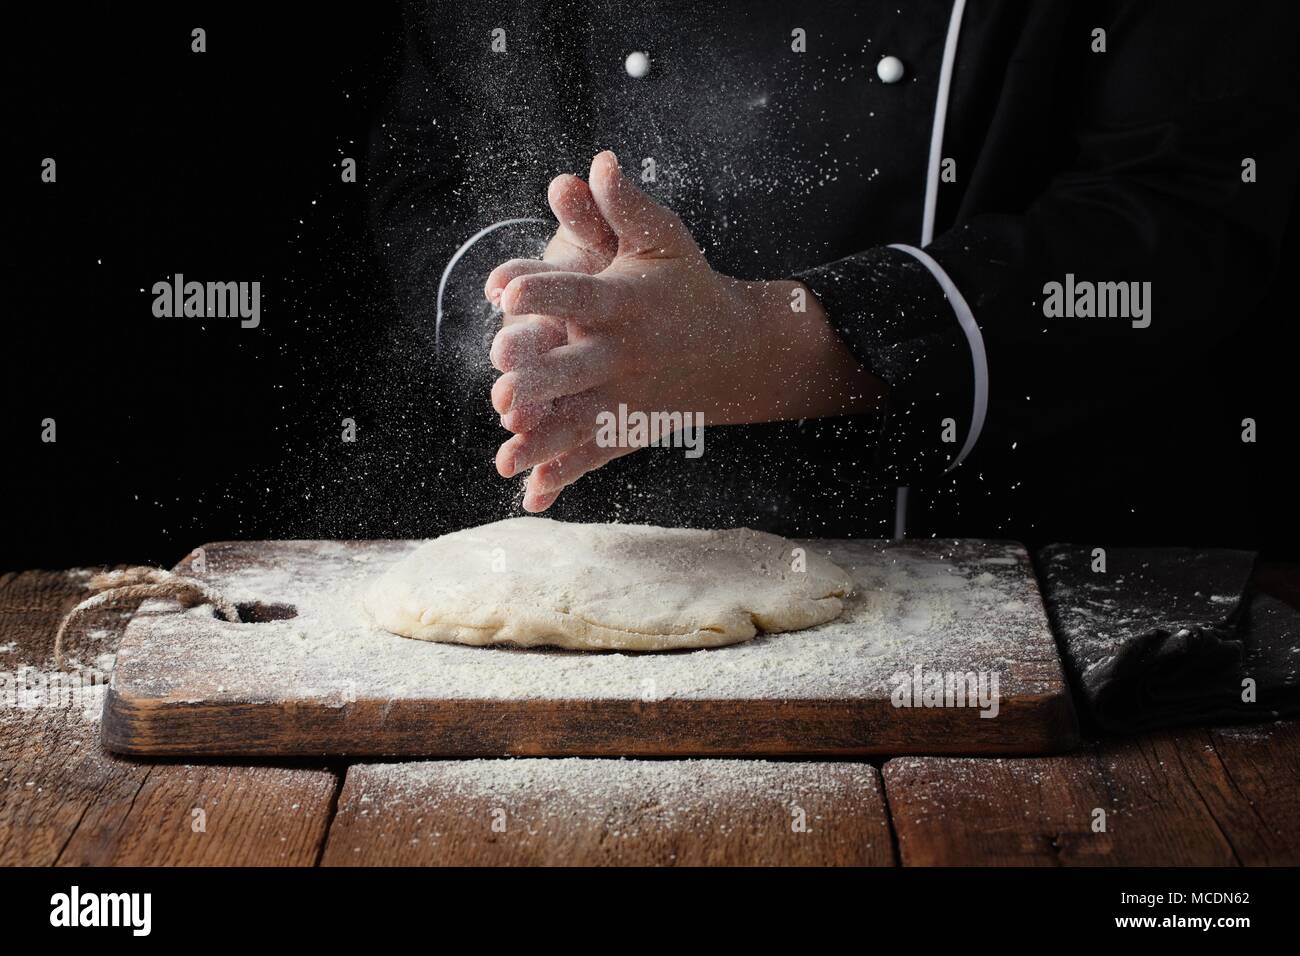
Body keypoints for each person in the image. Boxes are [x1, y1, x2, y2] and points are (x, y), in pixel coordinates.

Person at [370, 1, 1300, 545]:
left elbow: (1188, 201)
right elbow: (431, 163)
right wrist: (536, 301)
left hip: (1010, 559)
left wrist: (778, 346)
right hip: (595, 552)